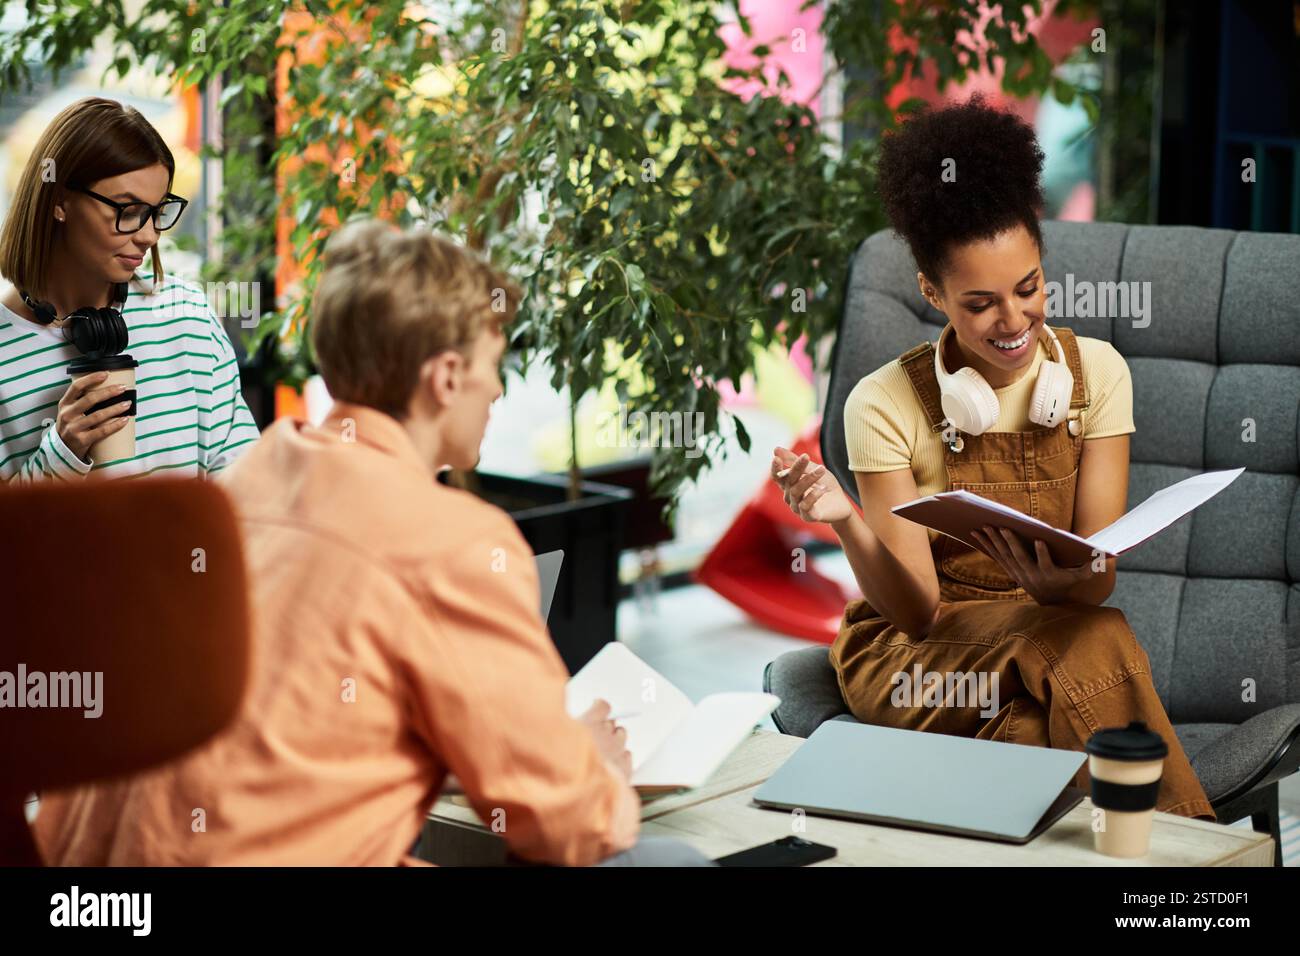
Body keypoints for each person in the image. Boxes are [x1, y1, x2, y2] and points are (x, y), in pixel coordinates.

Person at [33, 219, 712, 866]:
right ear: (447, 377)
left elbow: (282, 725)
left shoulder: (246, 480)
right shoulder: (452, 541)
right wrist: (594, 771)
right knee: (666, 858)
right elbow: (567, 825)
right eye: (493, 364)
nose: (499, 389)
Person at [771, 94, 1214, 820]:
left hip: (1040, 645)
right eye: (980, 304)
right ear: (932, 292)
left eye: (1028, 288)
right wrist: (844, 520)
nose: (1013, 321)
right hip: (915, 662)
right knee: (1088, 640)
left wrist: (1059, 583)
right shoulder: (882, 403)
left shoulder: (1098, 376)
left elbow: (1096, 580)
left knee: (1035, 733)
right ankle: (1192, 862)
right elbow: (916, 612)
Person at [0, 97, 257, 482]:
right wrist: (61, 454)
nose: (150, 235)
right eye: (128, 211)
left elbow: (245, 487)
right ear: (59, 201)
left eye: (157, 212)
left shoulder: (188, 316)